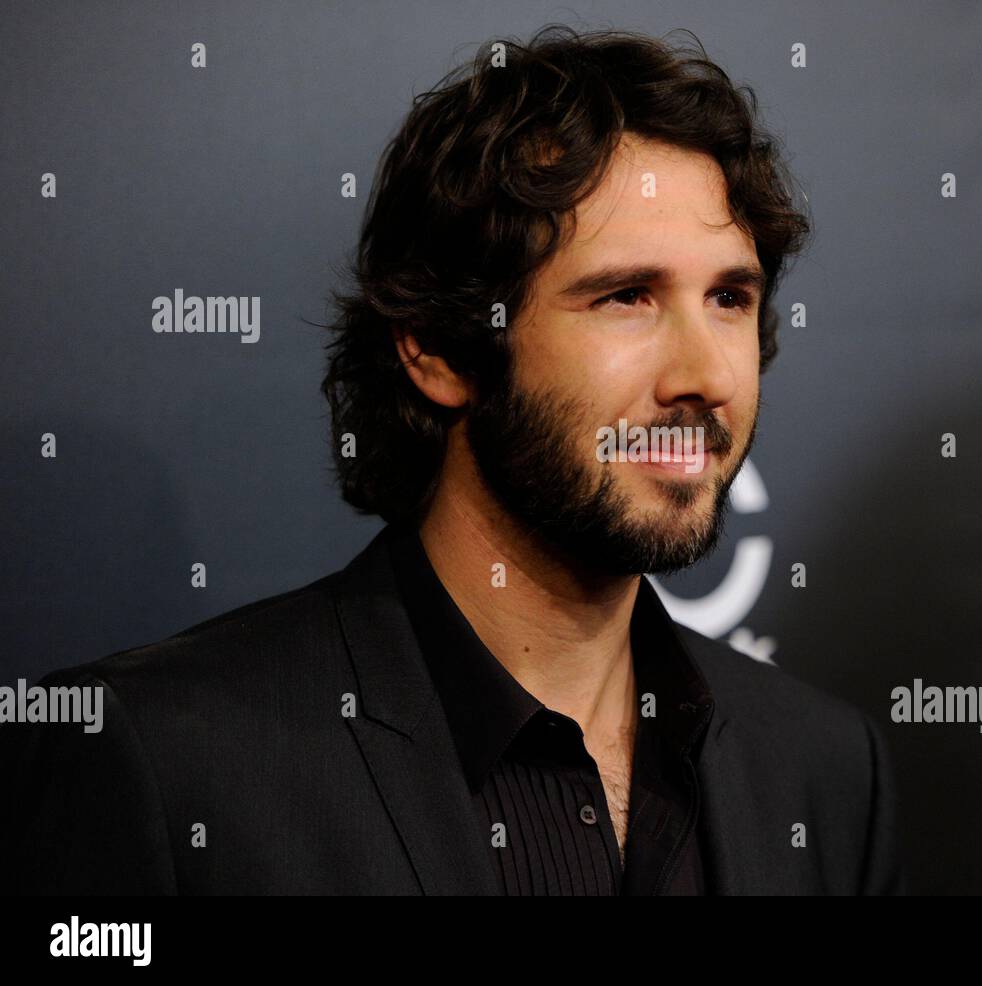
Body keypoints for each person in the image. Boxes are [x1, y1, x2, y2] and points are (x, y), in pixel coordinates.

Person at [2, 24, 902, 895]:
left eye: (730, 298)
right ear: (437, 347)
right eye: (628, 297)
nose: (705, 375)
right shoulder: (165, 760)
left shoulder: (824, 773)